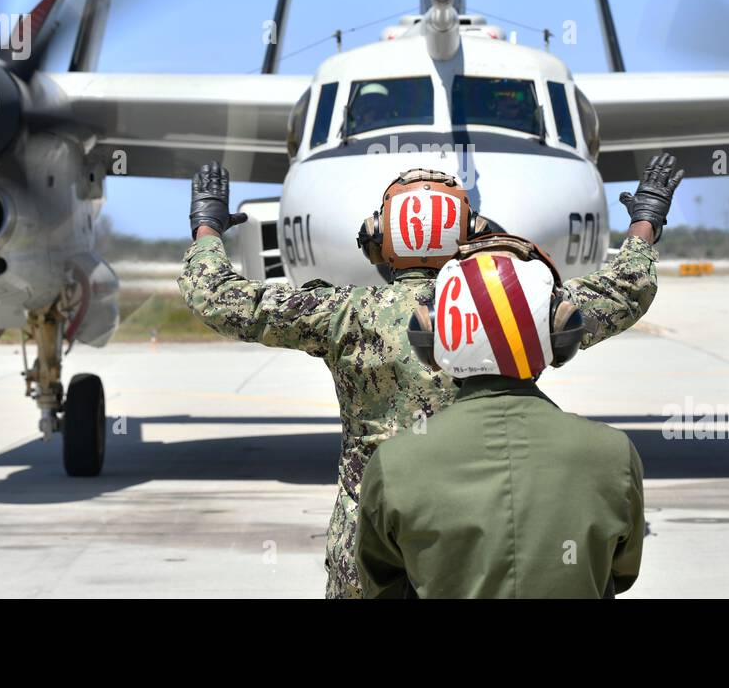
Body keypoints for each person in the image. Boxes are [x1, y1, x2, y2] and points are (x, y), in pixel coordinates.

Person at [177, 154, 683, 597]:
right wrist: (643, 225)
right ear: (471, 233)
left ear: (378, 239)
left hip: (367, 555)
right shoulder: (514, 310)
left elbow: (218, 298)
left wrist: (207, 228)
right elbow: (625, 289)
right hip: (472, 552)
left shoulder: (342, 313)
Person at [354, 233, 646, 598]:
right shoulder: (614, 454)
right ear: (558, 334)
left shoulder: (394, 463)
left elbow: (381, 583)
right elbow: (620, 572)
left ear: (431, 339)